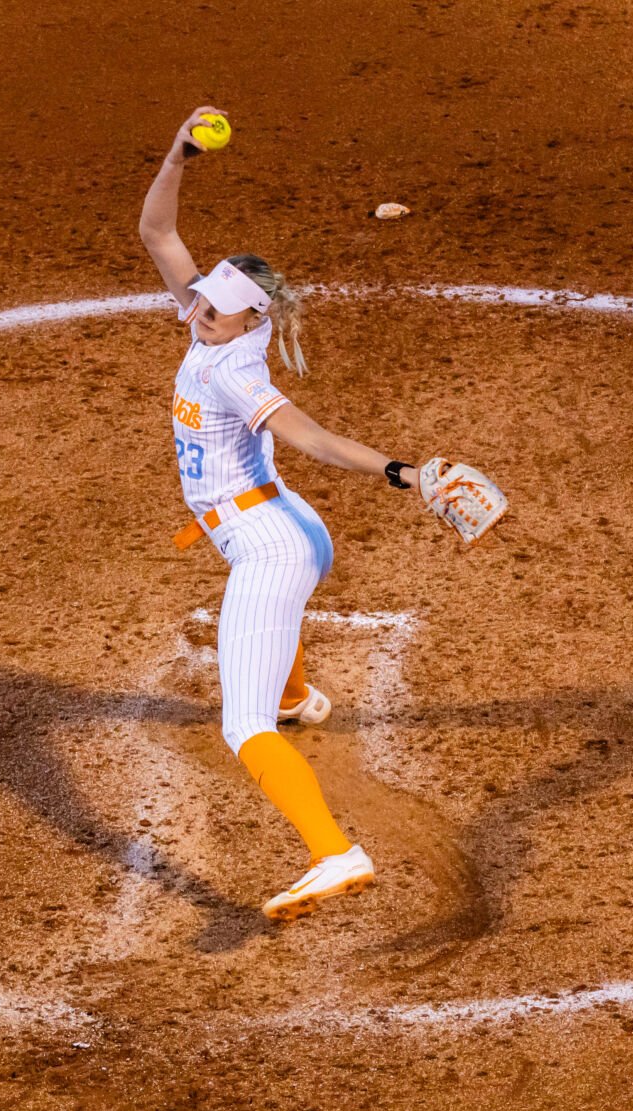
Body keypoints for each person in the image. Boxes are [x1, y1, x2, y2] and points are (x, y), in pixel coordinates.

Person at [137, 105, 429, 921]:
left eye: (213, 309)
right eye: (197, 301)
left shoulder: (235, 368)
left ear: (251, 321)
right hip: (282, 528)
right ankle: (300, 697)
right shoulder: (209, 328)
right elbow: (158, 234)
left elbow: (313, 437)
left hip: (269, 545)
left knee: (242, 727)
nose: (194, 311)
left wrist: (400, 471)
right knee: (268, 644)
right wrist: (178, 152)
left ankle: (334, 854)